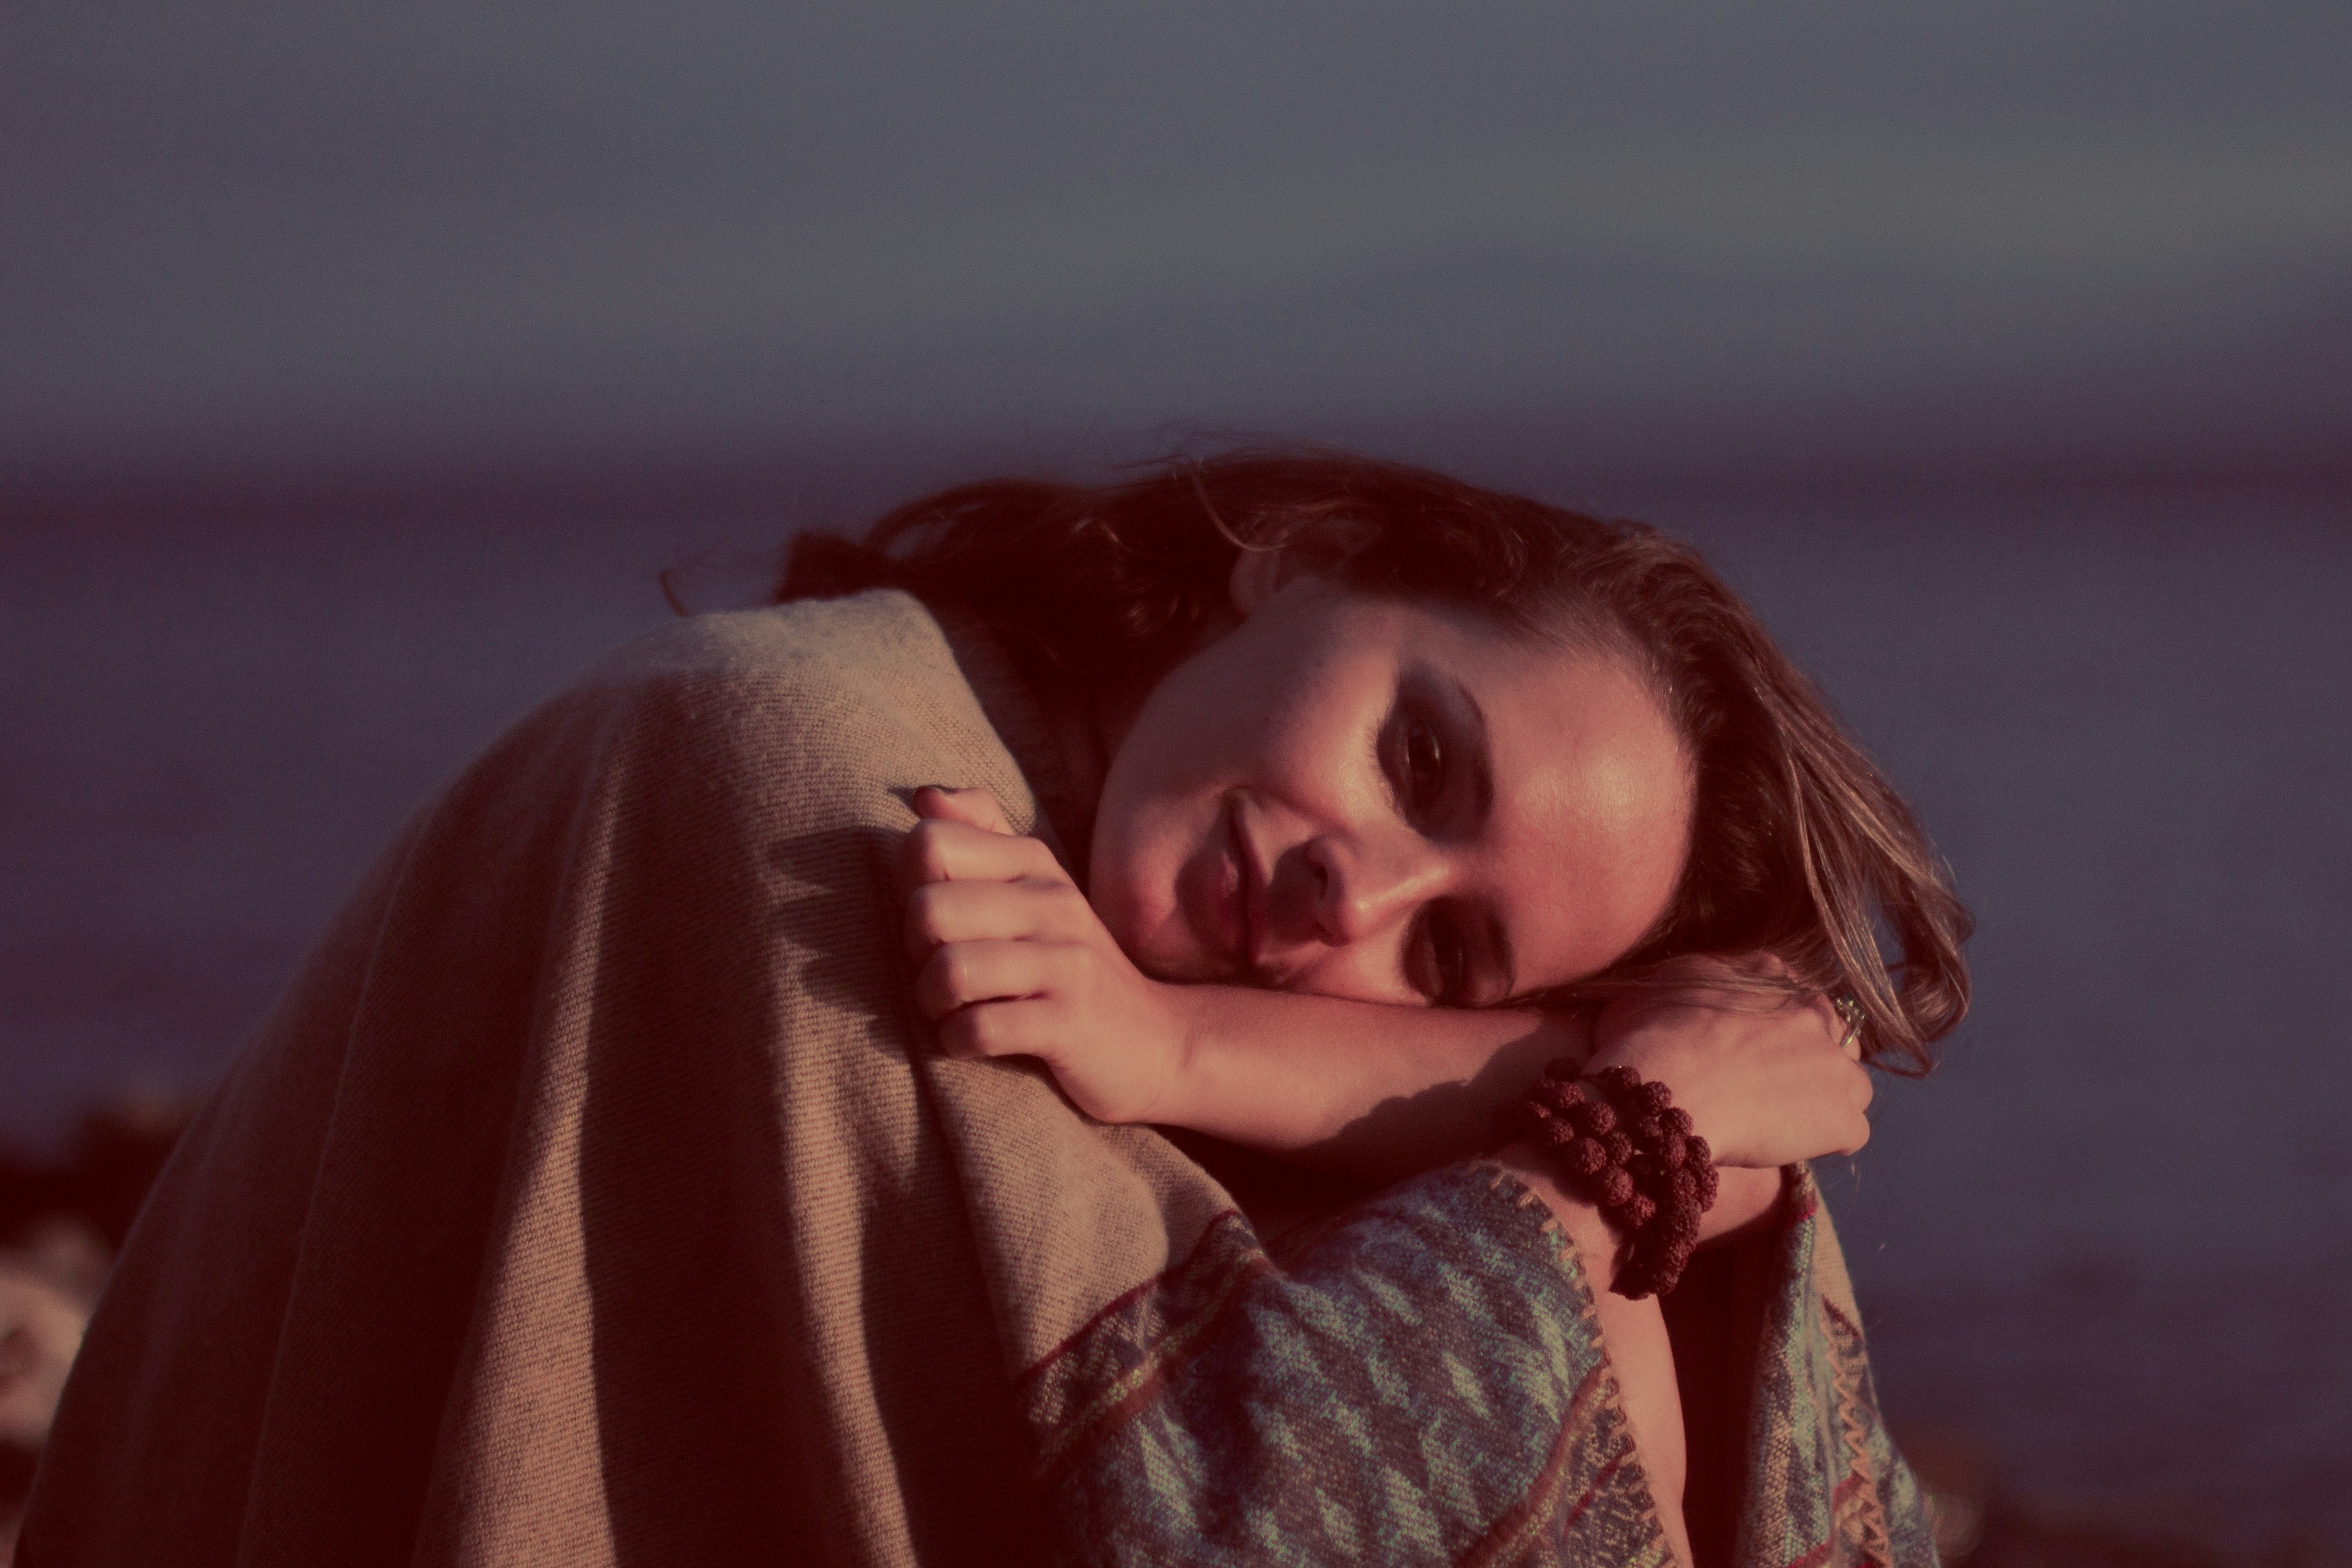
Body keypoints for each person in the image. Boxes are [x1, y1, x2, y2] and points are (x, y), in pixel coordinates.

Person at [23, 451, 1966, 1567]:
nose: (1350, 888)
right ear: (1311, 563)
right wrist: (1610, 1141)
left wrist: (1555, 1083)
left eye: (1448, 963)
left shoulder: (1099, 899)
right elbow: (1233, 1512)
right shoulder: (817, 787)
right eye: (1418, 756)